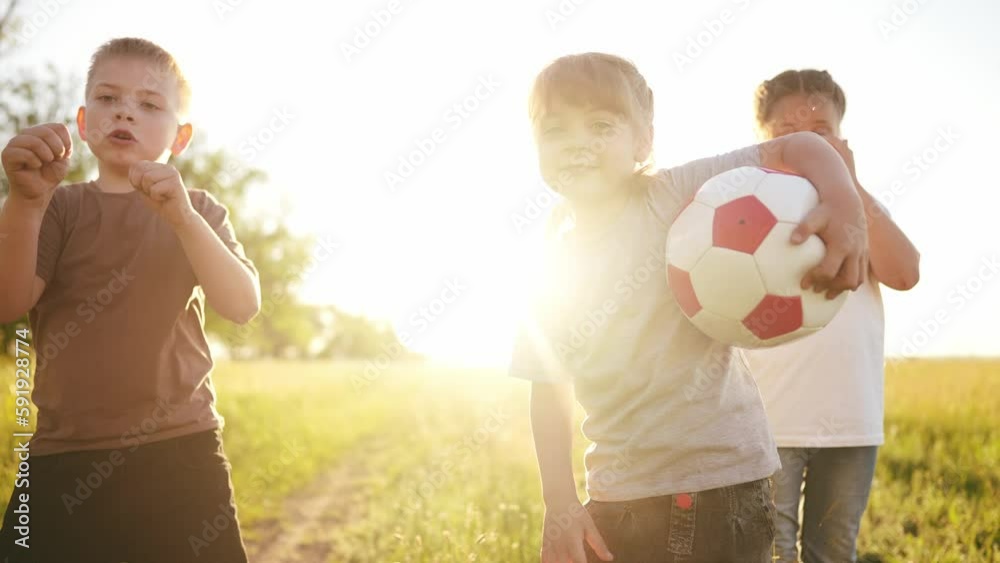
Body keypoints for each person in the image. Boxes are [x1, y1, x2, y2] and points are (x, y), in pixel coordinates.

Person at [509, 52, 870, 563]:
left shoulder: (670, 196)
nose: (578, 145)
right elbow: (548, 385)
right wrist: (559, 501)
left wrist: (844, 199)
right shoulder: (548, 256)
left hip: (721, 490)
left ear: (643, 142)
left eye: (600, 125)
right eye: (555, 130)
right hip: (618, 493)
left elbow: (802, 145)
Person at [0, 37, 260, 563]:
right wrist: (25, 202)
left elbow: (242, 305)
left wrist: (183, 220)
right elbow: (8, 303)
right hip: (62, 456)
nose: (125, 111)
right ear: (82, 119)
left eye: (149, 104)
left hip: (181, 453)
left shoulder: (199, 211)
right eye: (107, 98)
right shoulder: (58, 208)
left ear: (180, 136)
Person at [741, 69, 920, 563]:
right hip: (769, 424)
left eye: (820, 132)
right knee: (767, 551)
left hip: (850, 422)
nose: (805, 141)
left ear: (842, 139)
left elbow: (904, 273)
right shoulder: (748, 205)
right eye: (786, 133)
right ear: (763, 143)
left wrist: (852, 186)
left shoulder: (860, 208)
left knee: (833, 549)